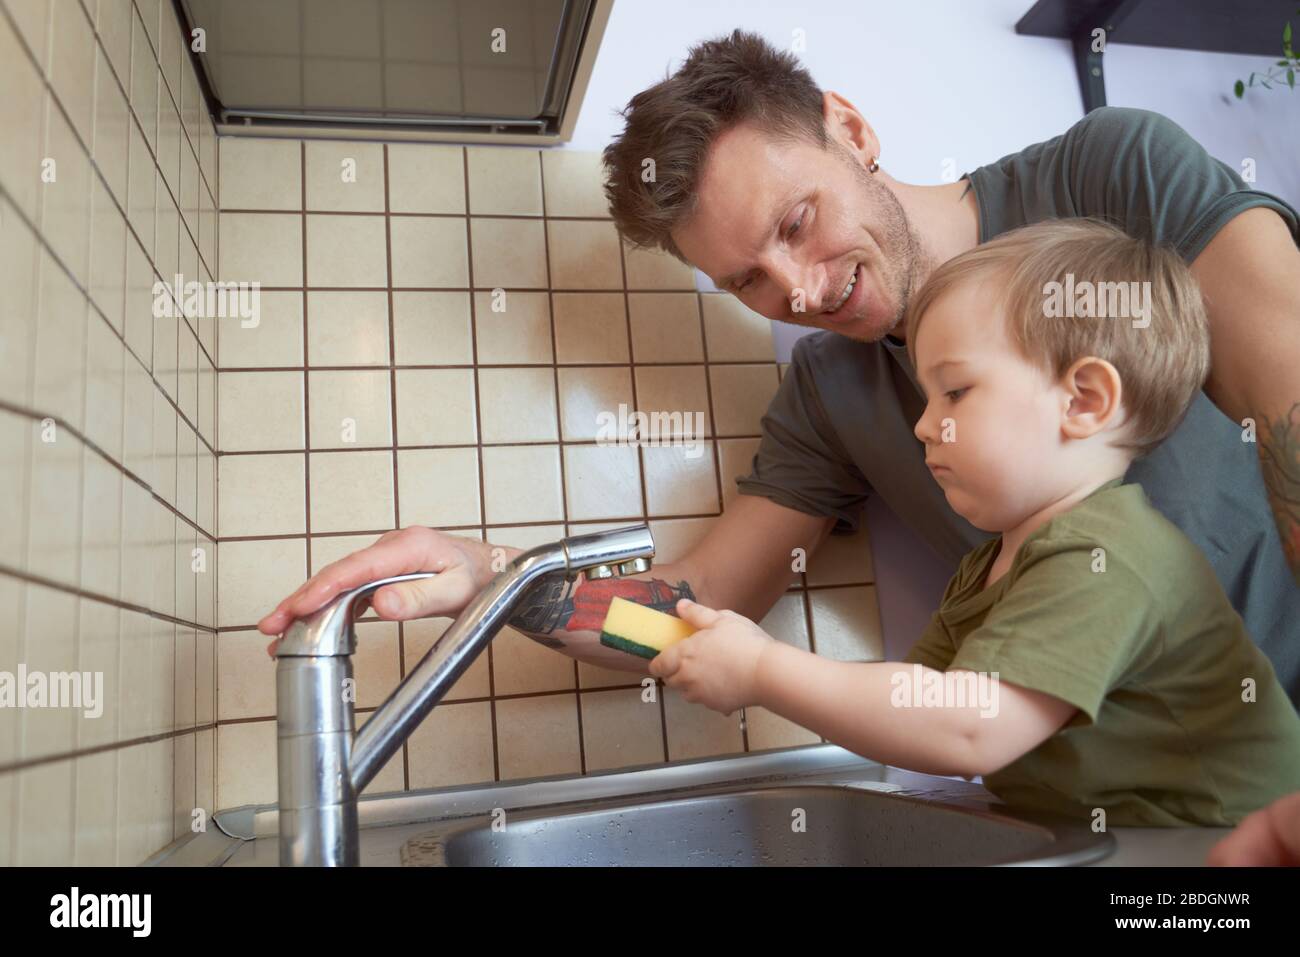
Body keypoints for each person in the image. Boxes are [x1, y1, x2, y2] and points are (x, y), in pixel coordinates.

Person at [260, 29, 1299, 701]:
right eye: (749, 282)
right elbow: (690, 606)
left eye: (797, 225)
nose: (798, 294)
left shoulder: (1111, 170)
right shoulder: (830, 394)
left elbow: (1290, 399)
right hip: (1141, 808)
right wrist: (499, 581)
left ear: (849, 128)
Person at [646, 218, 1300, 827]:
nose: (926, 424)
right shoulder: (988, 570)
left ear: (1084, 400)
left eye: (955, 391)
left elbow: (968, 727)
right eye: (928, 398)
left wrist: (763, 671)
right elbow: (921, 708)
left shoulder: (1108, 557)